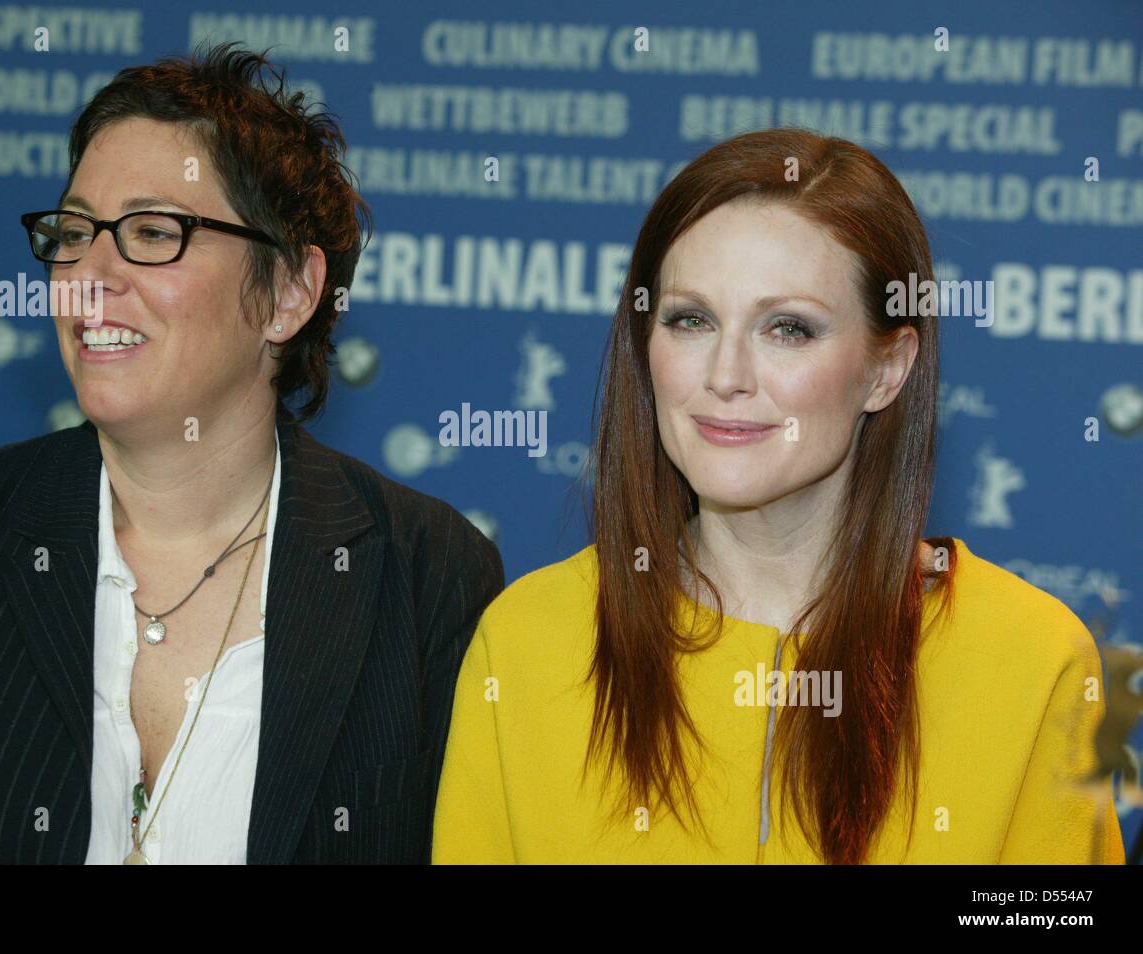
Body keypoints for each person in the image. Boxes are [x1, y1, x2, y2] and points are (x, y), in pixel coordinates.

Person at [0, 43, 503, 864]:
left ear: (291, 291)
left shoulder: (429, 575)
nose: (89, 274)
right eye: (74, 232)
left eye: (153, 232)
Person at [433, 128, 1125, 864]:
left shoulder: (1030, 658)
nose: (726, 374)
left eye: (787, 329)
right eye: (690, 319)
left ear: (887, 369)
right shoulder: (528, 641)